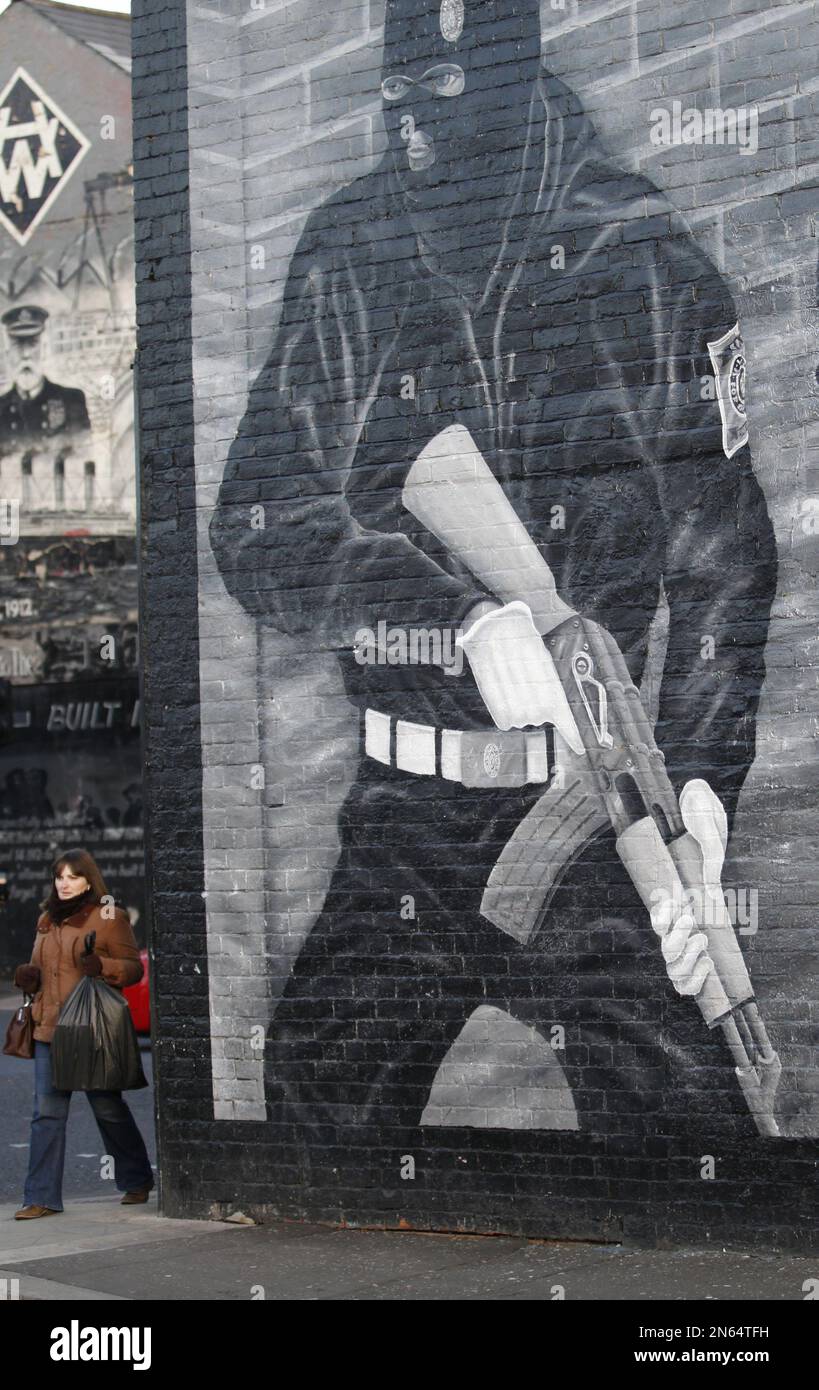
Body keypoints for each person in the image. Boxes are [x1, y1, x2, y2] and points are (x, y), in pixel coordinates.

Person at [210, 0, 778, 1139]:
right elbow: (257, 523)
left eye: (445, 102)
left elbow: (725, 557)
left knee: (694, 1117)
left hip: (589, 796)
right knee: (317, 1112)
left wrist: (702, 791)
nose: (409, 127)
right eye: (394, 97)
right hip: (402, 818)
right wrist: (457, 619)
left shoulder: (650, 267)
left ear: (514, 92)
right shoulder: (350, 256)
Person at [12, 849, 154, 1219]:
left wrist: (102, 966)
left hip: (90, 1030)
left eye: (73, 877)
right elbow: (44, 967)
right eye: (60, 876)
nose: (64, 883)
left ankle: (136, 1179)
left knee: (107, 1108)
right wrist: (29, 976)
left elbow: (132, 970)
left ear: (89, 881)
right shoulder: (47, 919)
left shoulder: (108, 916)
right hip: (49, 1029)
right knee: (46, 1114)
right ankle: (40, 1197)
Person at [0, 305, 91, 450]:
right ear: (7, 353)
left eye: (33, 344)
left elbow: (84, 455)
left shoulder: (72, 400)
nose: (26, 354)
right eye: (18, 345)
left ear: (45, 349)